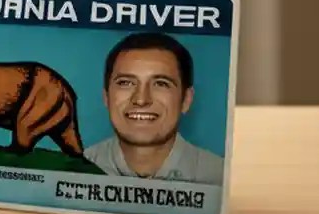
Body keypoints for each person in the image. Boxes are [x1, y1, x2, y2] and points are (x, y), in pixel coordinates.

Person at [85, 32, 224, 184]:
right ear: (106, 96)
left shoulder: (219, 178)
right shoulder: (72, 171)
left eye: (161, 83)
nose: (141, 100)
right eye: (126, 83)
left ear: (186, 100)